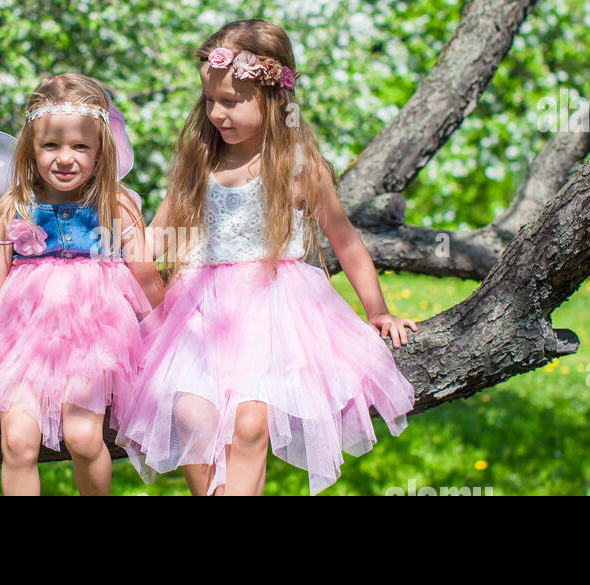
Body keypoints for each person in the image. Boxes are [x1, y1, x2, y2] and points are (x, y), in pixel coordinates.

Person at [114, 19, 418, 496]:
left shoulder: (299, 168)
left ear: (274, 99)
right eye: (209, 100)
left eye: (231, 102)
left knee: (250, 423)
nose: (217, 113)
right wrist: (117, 235)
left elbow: (346, 242)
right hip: (197, 313)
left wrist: (377, 310)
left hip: (276, 311)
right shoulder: (199, 161)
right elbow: (158, 240)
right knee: (191, 414)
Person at [0, 73, 163, 496]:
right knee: (18, 443)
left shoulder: (115, 205)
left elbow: (147, 279)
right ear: (32, 148)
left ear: (101, 152)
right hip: (25, 345)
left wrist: (168, 345)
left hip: (97, 341)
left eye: (81, 146)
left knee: (83, 437)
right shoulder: (16, 207)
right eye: (51, 146)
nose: (66, 158)